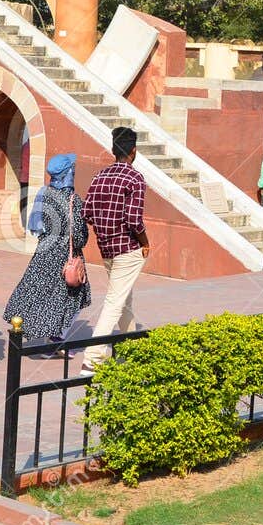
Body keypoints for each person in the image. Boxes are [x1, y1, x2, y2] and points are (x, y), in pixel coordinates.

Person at [2, 154, 90, 345]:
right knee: (76, 295)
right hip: (65, 256)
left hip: (44, 253)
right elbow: (77, 234)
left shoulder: (45, 194)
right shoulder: (73, 200)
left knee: (39, 293)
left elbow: (39, 225)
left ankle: (29, 326)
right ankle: (55, 339)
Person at [82, 127, 150, 372]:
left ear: (113, 150)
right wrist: (145, 242)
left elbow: (87, 212)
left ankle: (129, 351)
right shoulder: (135, 178)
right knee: (114, 301)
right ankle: (93, 358)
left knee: (123, 298)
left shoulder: (99, 176)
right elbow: (134, 219)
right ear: (133, 151)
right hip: (127, 247)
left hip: (107, 247)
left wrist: (105, 229)